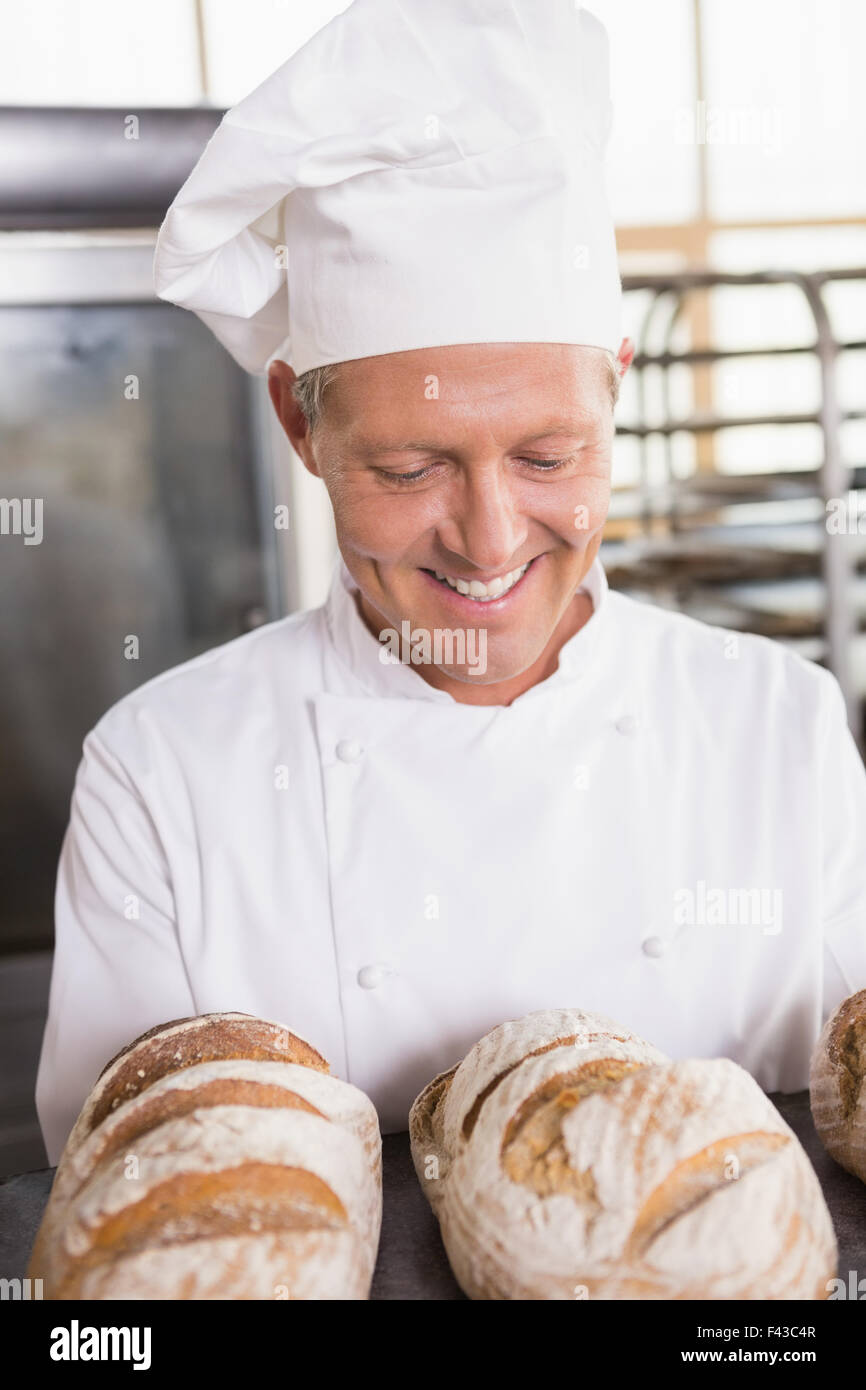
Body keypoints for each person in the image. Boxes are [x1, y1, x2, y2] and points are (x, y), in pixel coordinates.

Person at [36, 0, 866, 1165]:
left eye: (546, 456)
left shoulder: (779, 728)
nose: (486, 540)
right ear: (299, 422)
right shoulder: (164, 778)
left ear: (615, 394)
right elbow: (133, 1209)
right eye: (410, 466)